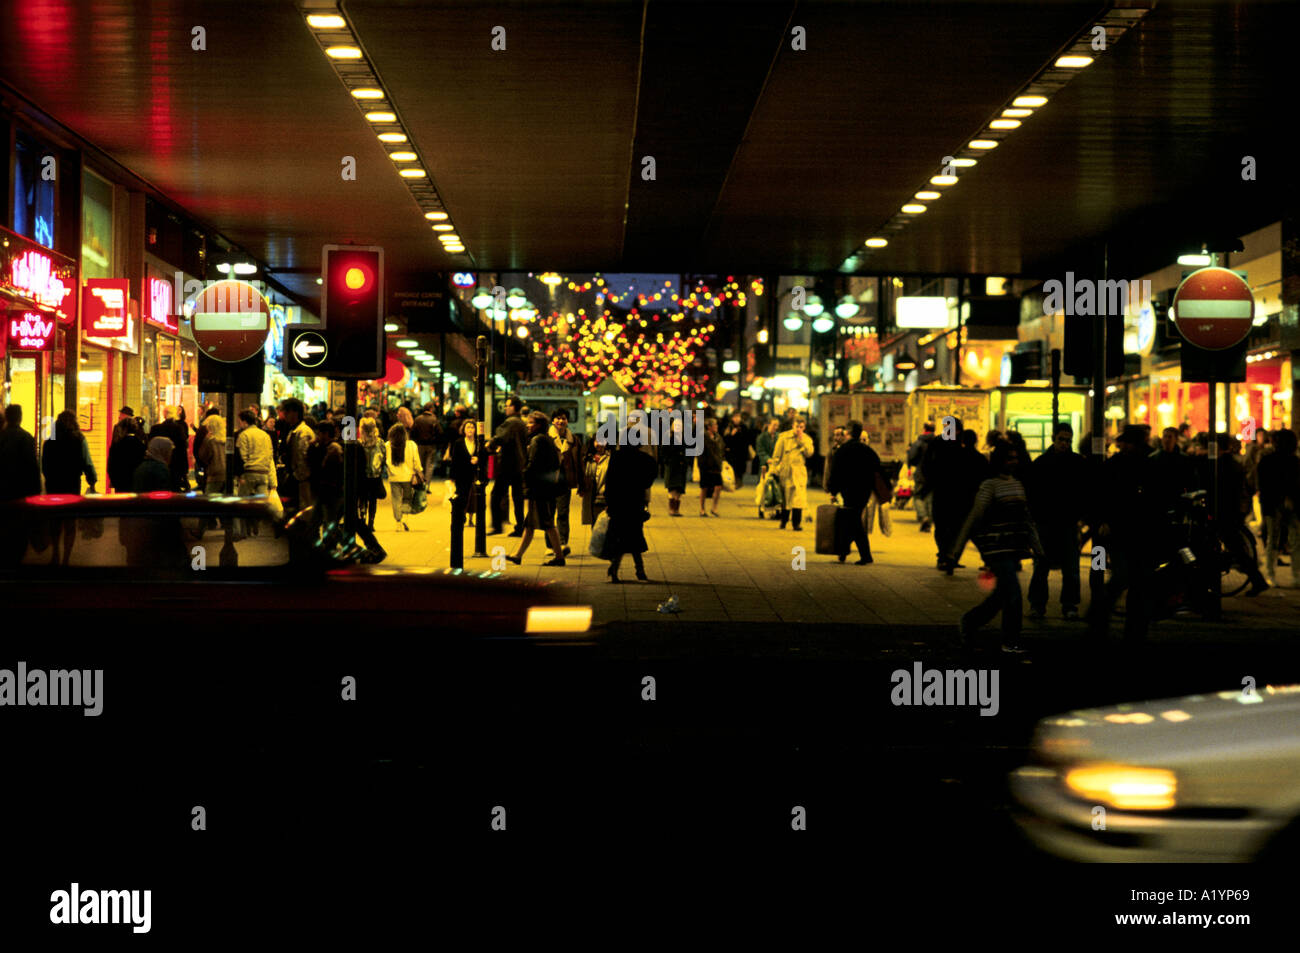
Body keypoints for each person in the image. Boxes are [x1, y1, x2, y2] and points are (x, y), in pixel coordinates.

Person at [947, 441, 1043, 653]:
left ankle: (970, 622)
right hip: (995, 547)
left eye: (1015, 458)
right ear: (1000, 460)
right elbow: (974, 516)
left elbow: (1026, 518)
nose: (1013, 462)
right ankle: (1010, 640)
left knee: (1002, 594)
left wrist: (1037, 546)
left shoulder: (1017, 484)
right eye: (1009, 458)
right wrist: (957, 550)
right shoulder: (989, 485)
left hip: (1011, 547)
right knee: (1014, 594)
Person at [1088, 425, 1160, 641]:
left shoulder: (1136, 465)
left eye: (1129, 442)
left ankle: (1113, 621)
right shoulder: (1136, 465)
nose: (1125, 446)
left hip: (1132, 532)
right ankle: (1116, 622)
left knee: (1131, 580)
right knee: (1126, 577)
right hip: (1125, 532)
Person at [1026, 423, 1086, 620]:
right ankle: (1041, 604)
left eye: (1068, 440)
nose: (1064, 444)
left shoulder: (1074, 463)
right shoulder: (1043, 463)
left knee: (1070, 568)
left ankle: (1066, 605)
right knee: (1042, 567)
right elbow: (1033, 493)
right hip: (1047, 522)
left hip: (1065, 522)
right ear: (1054, 438)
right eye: (1061, 439)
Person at [503, 411, 566, 566]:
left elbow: (532, 464)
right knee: (530, 524)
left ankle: (559, 557)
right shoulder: (547, 439)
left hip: (538, 489)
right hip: (544, 488)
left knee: (547, 523)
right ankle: (518, 555)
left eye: (530, 422)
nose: (527, 425)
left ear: (538, 424)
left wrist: (524, 477)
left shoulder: (537, 440)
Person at [602, 441, 657, 582]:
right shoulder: (644, 458)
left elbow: (610, 480)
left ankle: (614, 569)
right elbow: (650, 476)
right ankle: (640, 570)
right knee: (635, 535)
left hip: (618, 503)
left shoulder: (616, 457)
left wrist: (608, 501)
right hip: (635, 501)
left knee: (619, 537)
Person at [825, 420, 878, 565]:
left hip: (849, 492)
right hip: (864, 492)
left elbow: (836, 472)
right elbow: (877, 470)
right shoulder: (867, 450)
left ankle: (861, 554)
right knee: (853, 520)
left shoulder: (842, 450)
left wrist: (833, 491)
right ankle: (843, 551)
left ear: (847, 433)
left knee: (854, 522)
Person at [1257, 428, 1300, 588]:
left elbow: (1264, 485)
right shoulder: (1294, 460)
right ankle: (1295, 575)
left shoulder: (1267, 460)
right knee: (1295, 540)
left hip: (1273, 505)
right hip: (1290, 505)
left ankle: (1271, 574)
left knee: (1273, 540)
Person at [488, 396, 528, 536]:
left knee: (496, 495)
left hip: (507, 464)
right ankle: (520, 526)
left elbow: (499, 438)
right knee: (518, 498)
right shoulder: (522, 423)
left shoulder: (510, 422)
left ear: (515, 408)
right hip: (519, 464)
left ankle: (497, 525)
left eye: (508, 405)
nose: (505, 408)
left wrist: (489, 444)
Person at [770, 414, 814, 530]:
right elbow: (776, 455)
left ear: (804, 428)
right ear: (792, 426)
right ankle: (783, 521)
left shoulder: (807, 439)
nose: (798, 429)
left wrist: (801, 441)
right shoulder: (784, 437)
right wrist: (773, 469)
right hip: (786, 470)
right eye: (796, 426)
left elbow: (809, 453)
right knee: (785, 498)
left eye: (801, 427)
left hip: (799, 472)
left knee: (798, 498)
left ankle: (796, 523)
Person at [446, 417, 480, 568]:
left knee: (471, 498)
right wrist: (452, 478)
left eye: (472, 428)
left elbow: (484, 458)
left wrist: (477, 460)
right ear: (464, 430)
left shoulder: (478, 443)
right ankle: (461, 517)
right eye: (468, 428)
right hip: (461, 476)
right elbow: (454, 461)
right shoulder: (459, 443)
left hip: (473, 476)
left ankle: (466, 516)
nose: (470, 430)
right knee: (461, 497)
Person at [549, 409, 582, 555]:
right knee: (549, 514)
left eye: (563, 418)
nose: (560, 421)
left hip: (565, 481)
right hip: (549, 482)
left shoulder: (573, 440)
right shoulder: (546, 438)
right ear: (552, 421)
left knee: (563, 513)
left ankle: (562, 542)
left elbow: (580, 462)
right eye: (557, 418)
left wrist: (581, 482)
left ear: (567, 421)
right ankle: (550, 545)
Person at [279, 398, 315, 515]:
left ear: (295, 412)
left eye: (286, 412)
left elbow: (303, 458)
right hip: (297, 481)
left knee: (304, 515)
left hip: (302, 483)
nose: (284, 415)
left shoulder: (303, 432)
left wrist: (296, 477)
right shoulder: (294, 430)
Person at [385, 422, 422, 532]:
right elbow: (416, 461)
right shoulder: (411, 445)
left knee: (396, 499)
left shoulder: (388, 445)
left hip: (394, 477)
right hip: (408, 476)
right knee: (407, 499)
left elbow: (387, 461)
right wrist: (419, 472)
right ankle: (405, 518)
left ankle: (398, 522)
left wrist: (391, 471)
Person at [308, 420, 345, 527]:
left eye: (319, 433)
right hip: (324, 489)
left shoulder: (333, 448)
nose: (317, 435)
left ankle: (329, 541)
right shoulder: (321, 446)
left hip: (331, 490)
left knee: (327, 519)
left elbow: (319, 467)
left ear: (326, 433)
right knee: (321, 519)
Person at [0, 404, 41, 500]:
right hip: (21, 488)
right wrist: (36, 489)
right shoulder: (26, 437)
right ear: (20, 417)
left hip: (3, 488)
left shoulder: (2, 436)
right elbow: (31, 466)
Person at [357, 417, 386, 532]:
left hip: (362, 474)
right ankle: (371, 522)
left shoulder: (360, 443)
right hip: (375, 475)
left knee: (362, 497)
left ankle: (362, 517)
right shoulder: (380, 442)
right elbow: (384, 457)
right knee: (373, 499)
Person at [907, 422, 936, 532]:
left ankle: (924, 517)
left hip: (921, 474)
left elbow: (912, 457)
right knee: (930, 498)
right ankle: (928, 522)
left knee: (918, 497)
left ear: (924, 429)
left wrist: (911, 466)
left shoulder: (919, 442)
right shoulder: (938, 442)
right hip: (934, 475)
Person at [107, 415, 146, 493]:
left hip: (120, 483)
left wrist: (114, 481)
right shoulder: (140, 445)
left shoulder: (117, 445)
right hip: (136, 483)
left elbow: (111, 465)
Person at [697, 416, 726, 516]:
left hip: (716, 466)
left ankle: (714, 508)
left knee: (718, 486)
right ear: (709, 427)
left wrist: (722, 460)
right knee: (704, 488)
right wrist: (702, 464)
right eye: (715, 425)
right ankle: (702, 509)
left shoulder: (718, 437)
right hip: (706, 466)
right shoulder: (702, 437)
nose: (716, 426)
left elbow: (722, 449)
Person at [580, 438, 611, 529]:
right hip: (591, 497)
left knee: (606, 524)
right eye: (597, 441)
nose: (599, 444)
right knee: (594, 523)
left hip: (605, 496)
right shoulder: (588, 459)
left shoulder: (610, 458)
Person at [660, 415, 688, 516]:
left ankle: (676, 509)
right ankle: (672, 509)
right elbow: (664, 450)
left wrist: (686, 460)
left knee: (679, 488)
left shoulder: (684, 437)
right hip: (672, 465)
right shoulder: (669, 436)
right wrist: (667, 460)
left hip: (681, 465)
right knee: (672, 487)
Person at [195, 414, 227, 497]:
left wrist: (205, 439)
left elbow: (203, 456)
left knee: (210, 501)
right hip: (227, 474)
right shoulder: (227, 440)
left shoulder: (210, 441)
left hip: (214, 475)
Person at [411, 403, 442, 484]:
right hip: (431, 445)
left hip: (420, 445)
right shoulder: (434, 419)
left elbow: (413, 432)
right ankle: (426, 485)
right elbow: (440, 432)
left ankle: (420, 483)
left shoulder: (418, 419)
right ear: (431, 409)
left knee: (420, 464)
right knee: (430, 465)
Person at [723, 412, 751, 490]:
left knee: (740, 468)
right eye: (735, 417)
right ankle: (732, 482)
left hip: (741, 452)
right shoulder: (729, 427)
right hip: (731, 452)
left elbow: (747, 439)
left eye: (738, 417)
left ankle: (739, 481)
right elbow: (725, 439)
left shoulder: (744, 427)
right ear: (732, 418)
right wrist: (731, 434)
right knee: (732, 468)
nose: (737, 419)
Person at [822, 425, 848, 492]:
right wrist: (826, 485)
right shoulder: (832, 451)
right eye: (834, 435)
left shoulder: (849, 450)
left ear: (844, 436)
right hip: (835, 487)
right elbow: (827, 469)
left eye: (838, 435)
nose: (835, 438)